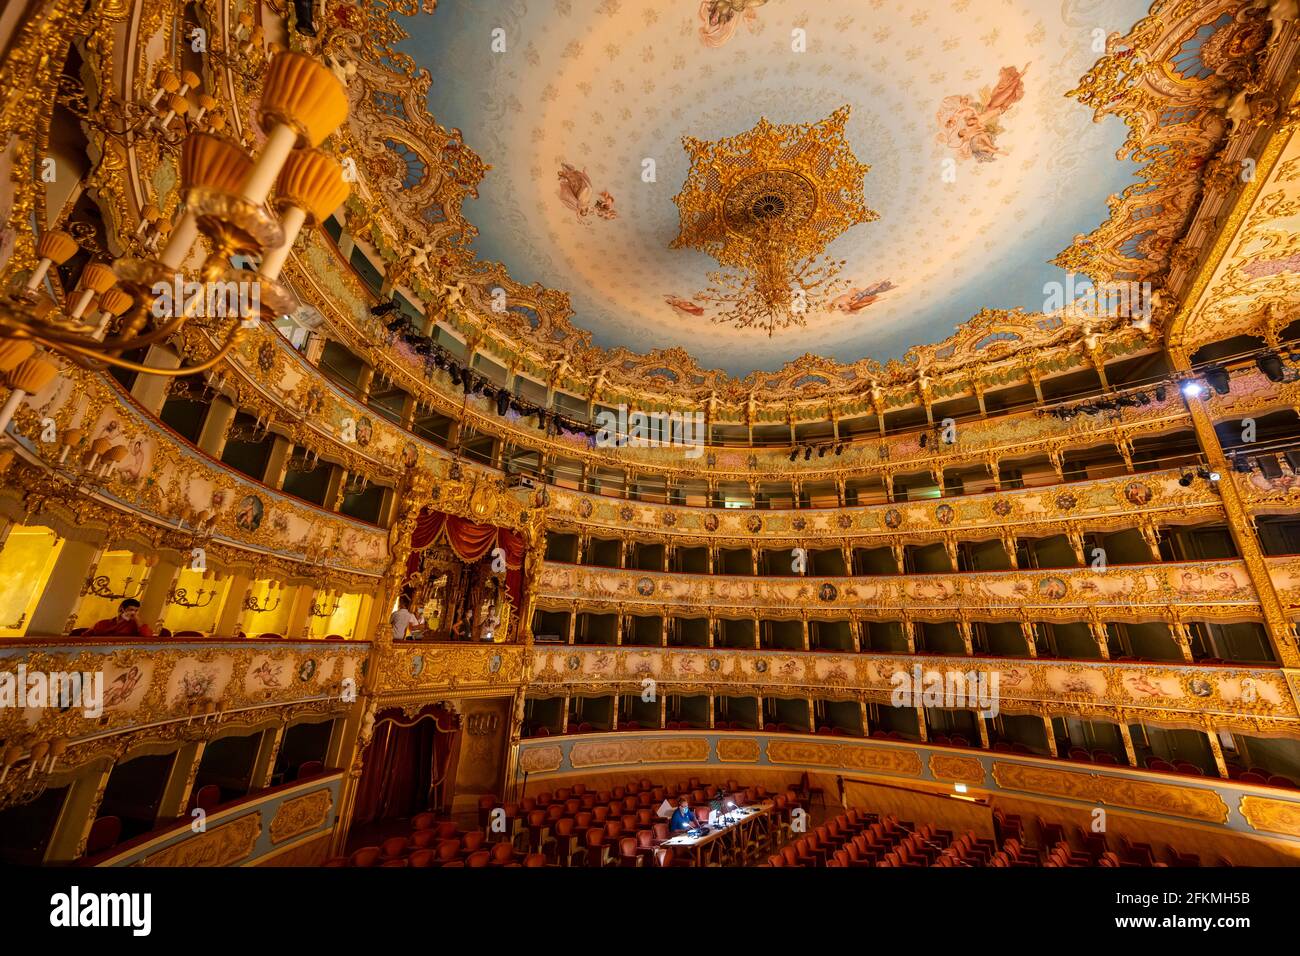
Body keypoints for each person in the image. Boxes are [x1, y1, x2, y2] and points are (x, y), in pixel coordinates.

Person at [87, 599, 154, 638]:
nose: (133, 613)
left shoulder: (135, 625)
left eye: (136, 611)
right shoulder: (103, 623)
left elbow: (147, 636)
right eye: (131, 610)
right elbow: (86, 636)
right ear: (122, 609)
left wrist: (137, 619)